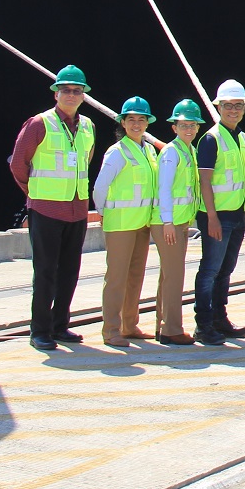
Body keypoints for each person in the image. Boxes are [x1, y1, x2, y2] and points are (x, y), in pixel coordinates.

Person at [9, 64, 95, 351]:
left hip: (77, 210)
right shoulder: (39, 124)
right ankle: (40, 330)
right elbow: (18, 163)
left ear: (83, 95)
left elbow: (85, 163)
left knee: (70, 270)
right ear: (56, 93)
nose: (71, 94)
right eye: (66, 90)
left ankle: (61, 326)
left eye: (76, 90)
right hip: (46, 210)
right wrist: (35, 193)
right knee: (45, 271)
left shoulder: (87, 126)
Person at [94, 97, 159, 349]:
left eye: (141, 119)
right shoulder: (117, 151)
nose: (137, 124)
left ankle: (129, 325)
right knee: (117, 278)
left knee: (135, 276)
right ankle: (111, 330)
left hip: (142, 223)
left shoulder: (148, 150)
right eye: (131, 119)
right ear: (123, 122)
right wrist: (103, 212)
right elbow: (100, 186)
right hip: (120, 224)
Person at [194, 79, 245, 345]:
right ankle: (203, 324)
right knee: (209, 269)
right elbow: (204, 181)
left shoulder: (241, 138)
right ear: (218, 107)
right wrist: (212, 217)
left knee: (226, 269)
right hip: (215, 216)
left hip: (236, 215)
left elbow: (242, 174)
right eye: (228, 105)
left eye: (238, 105)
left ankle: (220, 317)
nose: (233, 110)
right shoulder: (210, 139)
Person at [151, 100, 204, 345]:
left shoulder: (188, 150)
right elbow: (164, 187)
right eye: (183, 125)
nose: (189, 129)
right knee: (174, 275)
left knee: (168, 275)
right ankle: (172, 328)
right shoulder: (172, 152)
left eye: (192, 125)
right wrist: (168, 222)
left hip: (179, 222)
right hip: (169, 224)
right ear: (174, 127)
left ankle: (162, 325)